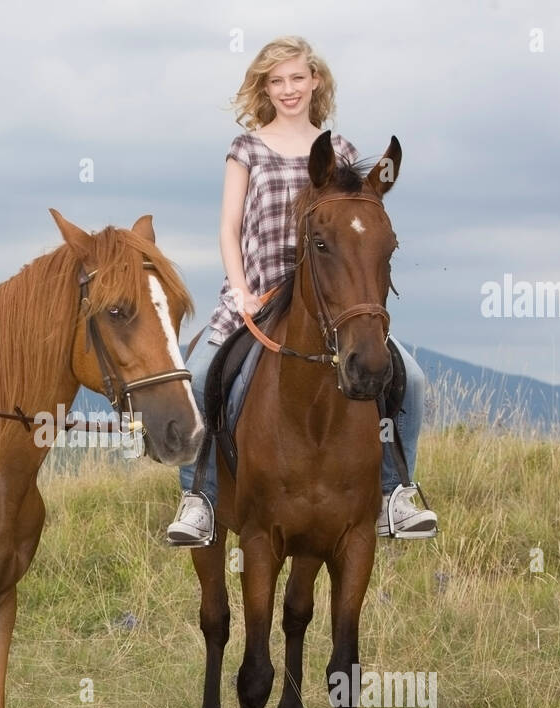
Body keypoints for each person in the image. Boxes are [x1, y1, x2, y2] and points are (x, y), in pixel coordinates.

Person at [166, 35, 438, 547]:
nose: (288, 89)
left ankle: (394, 494)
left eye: (297, 77)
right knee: (199, 376)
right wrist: (242, 291)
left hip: (332, 303)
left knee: (414, 381)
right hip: (260, 295)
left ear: (316, 80)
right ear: (264, 88)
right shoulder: (246, 148)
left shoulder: (345, 153)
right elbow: (228, 228)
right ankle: (197, 499)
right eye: (277, 80)